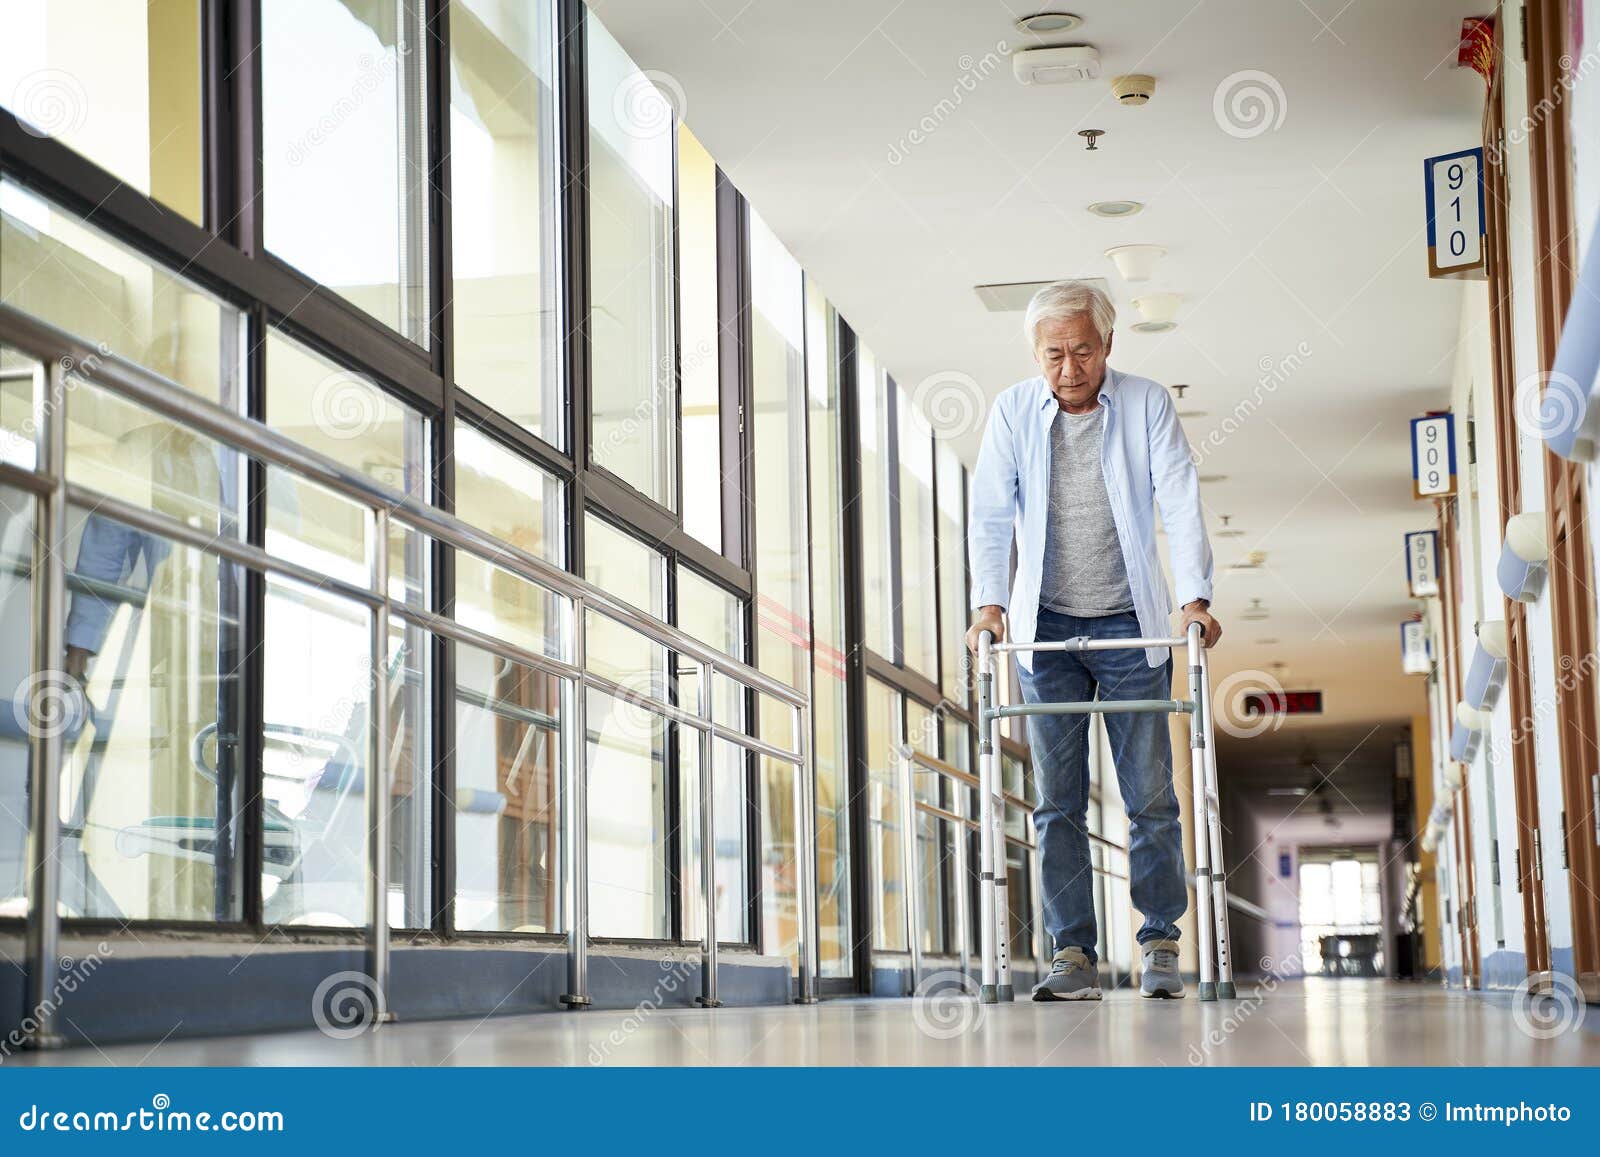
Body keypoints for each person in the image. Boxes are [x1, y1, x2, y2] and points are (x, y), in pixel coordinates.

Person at [965, 280, 1220, 1001]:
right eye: (1054, 354)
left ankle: (1161, 943)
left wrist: (1194, 598)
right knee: (1057, 802)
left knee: (1150, 797)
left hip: (1129, 625)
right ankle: (1071, 952)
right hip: (1044, 632)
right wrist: (989, 607)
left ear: (1109, 343)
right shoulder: (1013, 411)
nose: (1069, 368)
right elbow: (989, 512)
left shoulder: (1146, 404)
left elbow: (1177, 493)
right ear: (1035, 354)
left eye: (1082, 350)